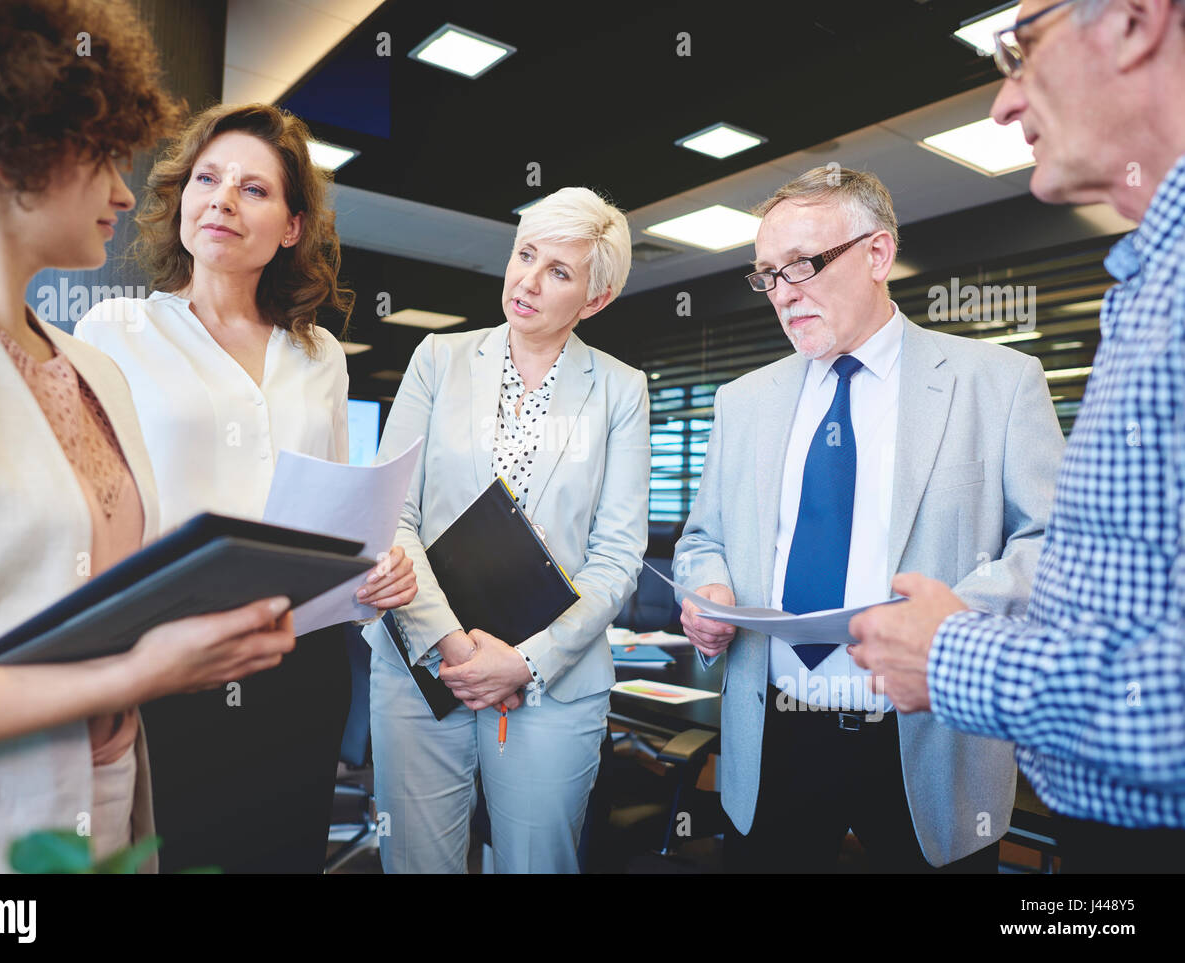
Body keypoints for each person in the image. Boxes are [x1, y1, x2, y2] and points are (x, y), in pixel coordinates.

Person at [0, 0, 298, 873]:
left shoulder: (91, 368)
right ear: (5, 145)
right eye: (103, 154)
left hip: (110, 814)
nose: (124, 188)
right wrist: (134, 676)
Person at [849, 0, 1185, 872]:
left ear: (1136, 20)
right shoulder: (1150, 282)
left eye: (1019, 49)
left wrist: (951, 651)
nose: (1001, 105)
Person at [673, 166, 1067, 871]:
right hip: (775, 734)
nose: (783, 292)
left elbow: (1057, 545)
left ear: (877, 255)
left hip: (929, 735)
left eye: (803, 265)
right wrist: (710, 593)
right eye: (768, 274)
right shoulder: (743, 400)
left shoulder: (999, 383)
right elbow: (704, 539)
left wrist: (948, 616)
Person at [75, 102, 416, 872]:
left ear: (293, 226)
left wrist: (376, 565)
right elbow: (94, 512)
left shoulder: (319, 352)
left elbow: (335, 513)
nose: (223, 199)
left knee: (286, 855)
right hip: (174, 658)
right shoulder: (117, 331)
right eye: (208, 178)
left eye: (254, 189)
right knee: (185, 855)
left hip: (303, 659)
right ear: (183, 198)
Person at [363, 187, 648, 873]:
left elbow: (617, 556)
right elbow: (391, 510)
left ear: (594, 299)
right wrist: (454, 647)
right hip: (423, 664)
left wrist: (526, 661)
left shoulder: (620, 389)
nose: (527, 280)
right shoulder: (439, 359)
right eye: (526, 255)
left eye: (559, 271)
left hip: (552, 679)